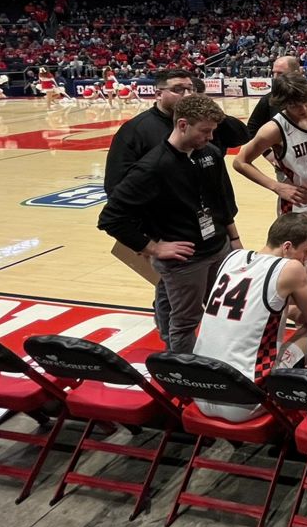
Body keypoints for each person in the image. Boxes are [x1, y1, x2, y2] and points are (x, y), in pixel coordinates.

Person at [97, 94, 240, 355]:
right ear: (183, 125)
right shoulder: (152, 168)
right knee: (186, 321)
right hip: (185, 260)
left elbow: (221, 199)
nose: (210, 138)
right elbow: (111, 218)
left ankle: (204, 354)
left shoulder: (209, 154)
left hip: (217, 247)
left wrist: (234, 239)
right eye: (205, 131)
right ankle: (184, 373)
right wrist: (153, 248)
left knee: (208, 306)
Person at [193, 213, 307, 422]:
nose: (306, 258)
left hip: (200, 390)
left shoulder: (233, 257)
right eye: (305, 252)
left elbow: (252, 308)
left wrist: (291, 311)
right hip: (245, 399)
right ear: (287, 247)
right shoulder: (291, 268)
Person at [244, 55, 307, 268]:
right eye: (294, 105)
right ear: (284, 104)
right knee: (294, 263)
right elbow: (241, 161)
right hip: (298, 204)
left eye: (305, 102)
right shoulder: (273, 129)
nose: (303, 109)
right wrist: (276, 186)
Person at [104, 69, 248, 194]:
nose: (187, 95)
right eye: (178, 89)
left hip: (208, 212)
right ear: (159, 94)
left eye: (190, 89)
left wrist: (212, 112)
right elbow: (115, 185)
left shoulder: (204, 122)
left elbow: (242, 136)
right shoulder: (135, 130)